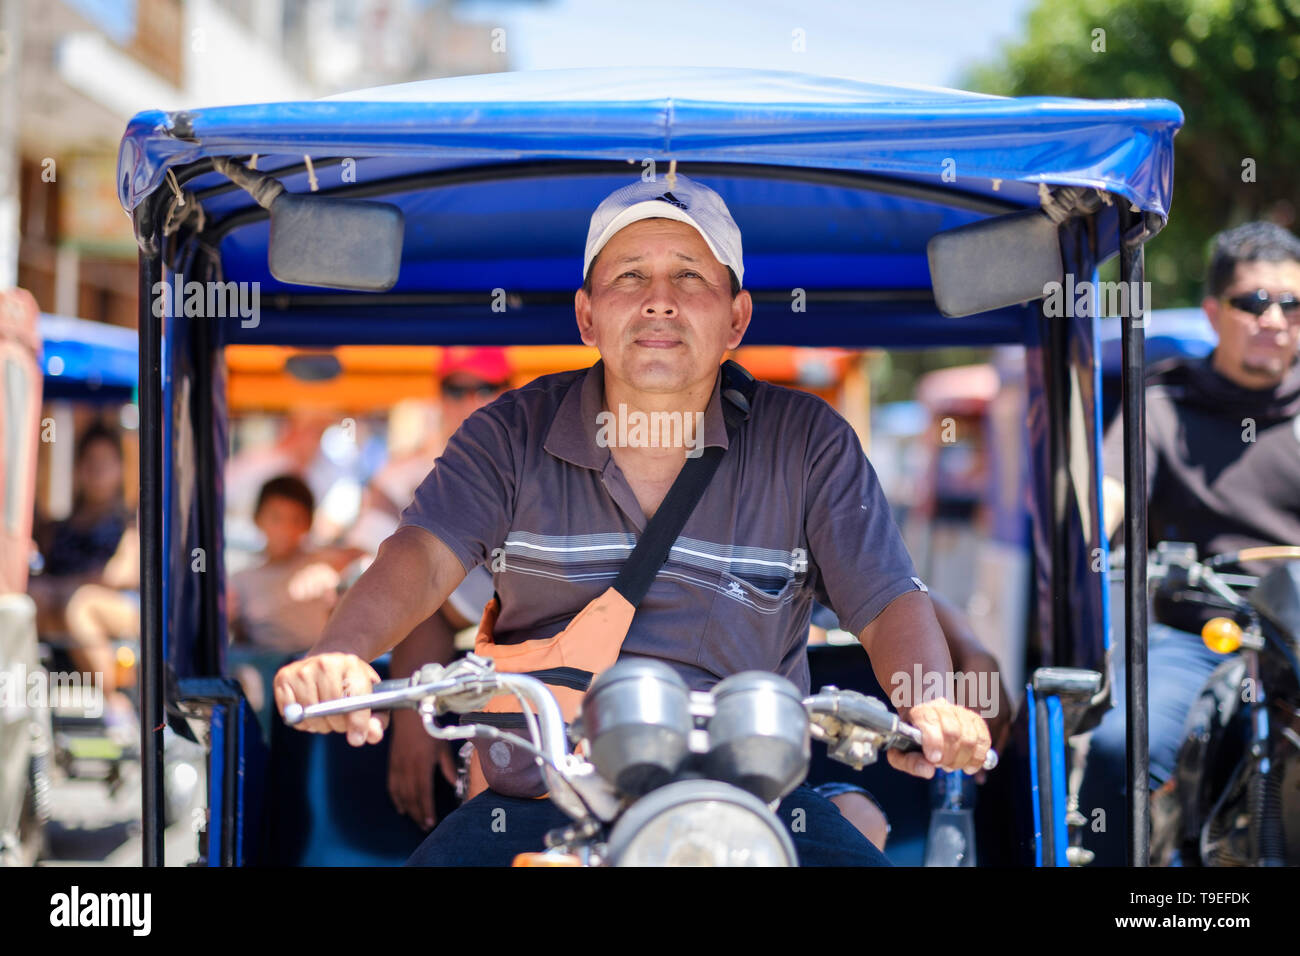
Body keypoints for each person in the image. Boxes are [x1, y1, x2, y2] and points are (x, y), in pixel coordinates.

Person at [273, 174, 992, 867]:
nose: (658, 301)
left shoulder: (810, 442)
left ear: (736, 317)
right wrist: (340, 651)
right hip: (542, 797)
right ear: (587, 315)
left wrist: (928, 705)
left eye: (689, 276)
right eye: (628, 278)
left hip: (755, 803)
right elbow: (420, 559)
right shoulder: (507, 434)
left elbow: (888, 602)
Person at [1081, 220, 1300, 865]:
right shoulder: (1163, 403)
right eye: (1254, 301)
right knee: (1122, 748)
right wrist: (1095, 526)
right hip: (1198, 635)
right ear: (1214, 311)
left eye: (1292, 303)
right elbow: (1109, 496)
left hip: (1296, 635)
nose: (1275, 318)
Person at [380, 347, 511, 831]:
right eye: (457, 388)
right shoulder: (402, 478)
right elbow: (418, 592)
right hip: (479, 686)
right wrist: (416, 706)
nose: (471, 400)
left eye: (485, 387)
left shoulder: (556, 473)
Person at [227, 475, 365, 654]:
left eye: (296, 520)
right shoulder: (241, 580)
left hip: (315, 659)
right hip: (266, 667)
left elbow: (367, 558)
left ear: (308, 524)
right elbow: (238, 638)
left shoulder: (323, 561)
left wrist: (331, 573)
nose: (285, 529)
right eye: (276, 518)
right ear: (257, 519)